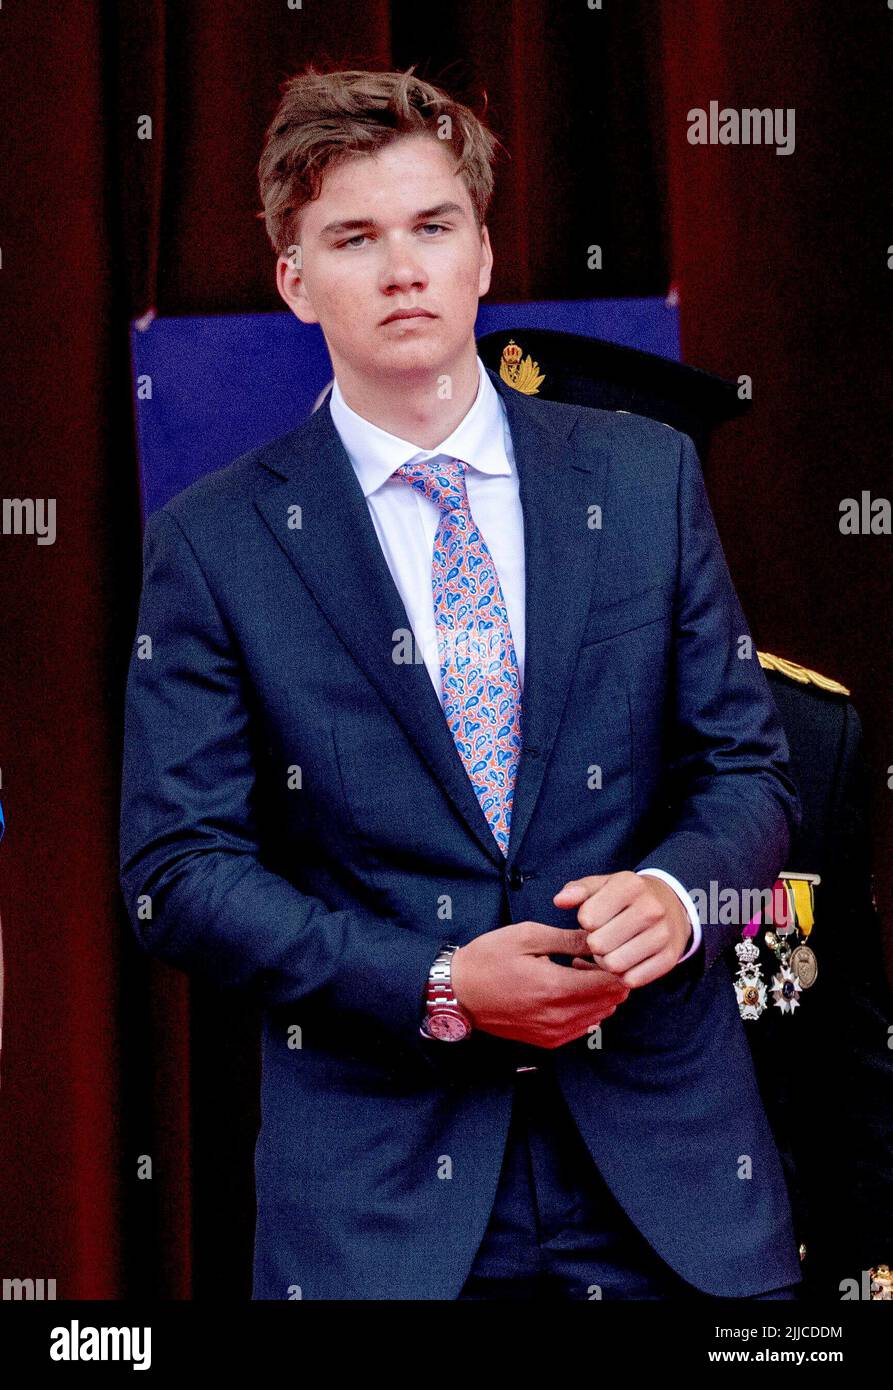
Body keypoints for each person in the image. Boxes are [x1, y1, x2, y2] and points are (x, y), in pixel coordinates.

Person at [119, 65, 803, 1300]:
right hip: (379, 1209)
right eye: (353, 238)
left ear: (483, 252)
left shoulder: (642, 477)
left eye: (433, 226)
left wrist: (675, 894)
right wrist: (433, 981)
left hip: (672, 1182)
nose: (402, 267)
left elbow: (746, 766)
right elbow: (178, 875)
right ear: (292, 280)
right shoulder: (212, 544)